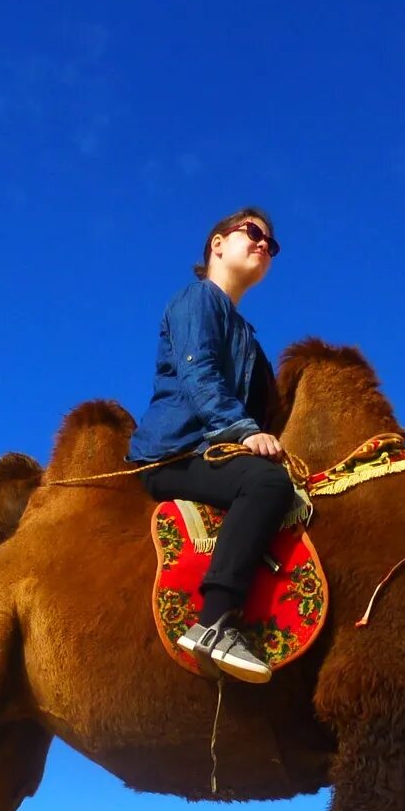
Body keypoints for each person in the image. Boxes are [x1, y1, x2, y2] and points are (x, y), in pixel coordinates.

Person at [128, 207, 290, 685]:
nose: (264, 244)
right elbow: (201, 378)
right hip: (176, 453)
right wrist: (245, 433)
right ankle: (216, 622)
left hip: (215, 452)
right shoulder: (197, 300)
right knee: (264, 482)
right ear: (218, 244)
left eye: (272, 245)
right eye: (255, 233)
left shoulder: (249, 339)